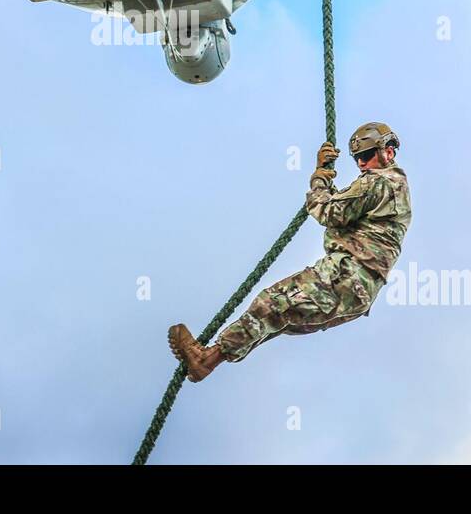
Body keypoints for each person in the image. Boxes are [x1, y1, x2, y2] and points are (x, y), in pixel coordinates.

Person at [168, 122, 412, 382]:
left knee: (271, 303)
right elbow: (342, 208)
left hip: (346, 275)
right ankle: (210, 360)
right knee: (274, 319)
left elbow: (329, 212)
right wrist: (326, 183)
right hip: (358, 291)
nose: (362, 163)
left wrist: (318, 177)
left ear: (389, 151)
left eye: (367, 155)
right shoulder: (392, 187)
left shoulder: (380, 182)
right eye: (358, 158)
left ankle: (206, 360)